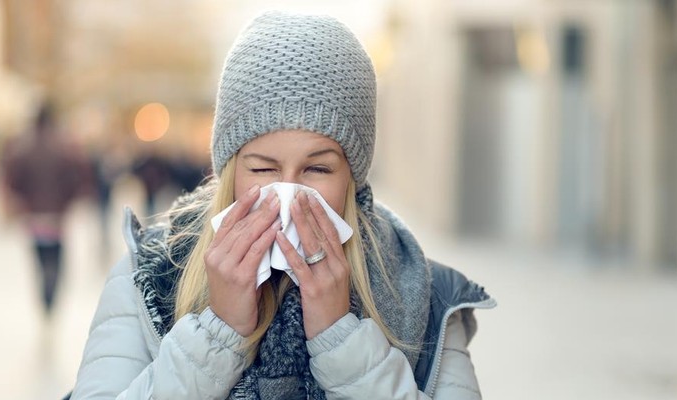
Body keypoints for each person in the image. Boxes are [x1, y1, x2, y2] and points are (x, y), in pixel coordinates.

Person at [70, 11, 495, 399]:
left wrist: (342, 339)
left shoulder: (425, 292)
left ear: (353, 175)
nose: (288, 194)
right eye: (263, 170)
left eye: (317, 170)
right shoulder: (149, 273)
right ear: (231, 171)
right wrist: (217, 333)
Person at [1, 102, 90, 317]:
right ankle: (51, 293)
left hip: (34, 216)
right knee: (56, 259)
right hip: (57, 216)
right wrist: (68, 201)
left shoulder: (22, 147)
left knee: (40, 258)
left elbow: (12, 179)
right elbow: (80, 177)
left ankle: (45, 293)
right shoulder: (65, 147)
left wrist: (21, 202)